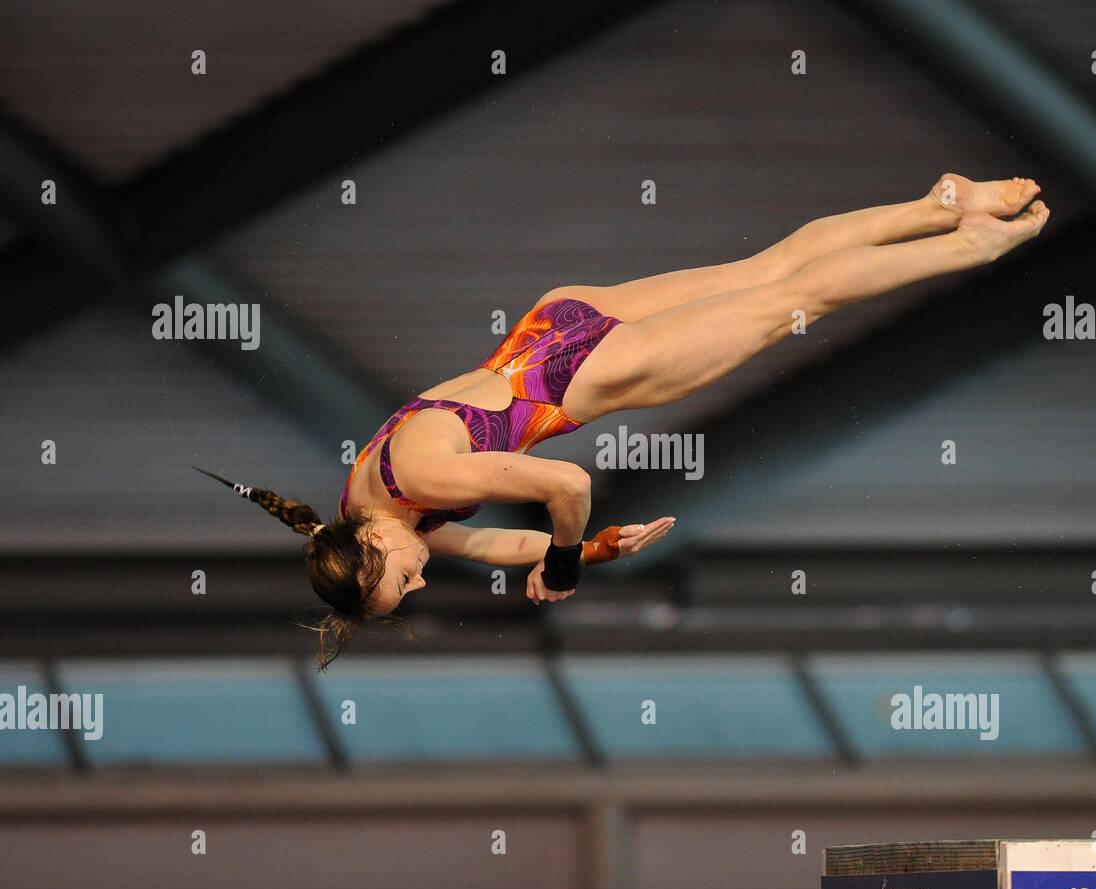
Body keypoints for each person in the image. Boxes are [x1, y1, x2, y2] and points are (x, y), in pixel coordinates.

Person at [202, 173, 1048, 667]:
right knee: (772, 268)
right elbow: (495, 544)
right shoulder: (372, 502)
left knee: (798, 298)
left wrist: (569, 565)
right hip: (552, 327)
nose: (423, 580)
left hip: (586, 376)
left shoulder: (418, 487)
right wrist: (593, 550)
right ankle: (945, 203)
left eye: (403, 583)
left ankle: (968, 245)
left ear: (375, 555)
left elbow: (566, 484)